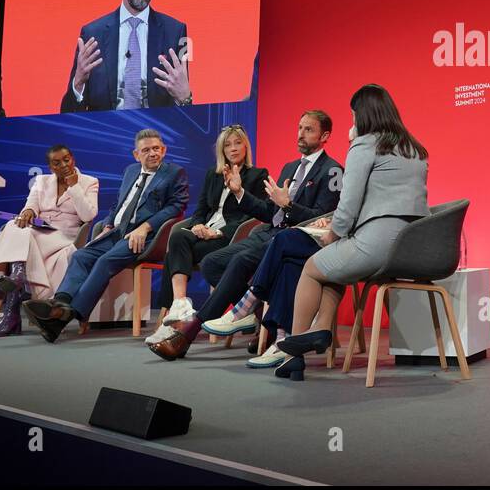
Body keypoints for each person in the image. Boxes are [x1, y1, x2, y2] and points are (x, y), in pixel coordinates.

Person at [145, 111, 343, 359]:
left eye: (309, 130)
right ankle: (258, 318)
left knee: (240, 262)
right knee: (212, 263)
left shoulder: (332, 170)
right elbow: (268, 212)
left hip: (294, 239)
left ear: (324, 136)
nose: (300, 135)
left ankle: (189, 333)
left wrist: (289, 206)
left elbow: (321, 221)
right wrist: (239, 193)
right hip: (269, 232)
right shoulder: (290, 167)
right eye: (299, 128)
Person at [273, 84, 429, 381]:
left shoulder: (365, 143)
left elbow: (349, 201)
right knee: (335, 265)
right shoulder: (415, 148)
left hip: (378, 244)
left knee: (312, 267)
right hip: (412, 249)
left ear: (363, 114)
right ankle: (320, 329)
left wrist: (334, 232)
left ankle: (292, 354)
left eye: (354, 114)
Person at [24, 128, 188, 342]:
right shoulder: (131, 170)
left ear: (164, 150)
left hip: (147, 236)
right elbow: (119, 204)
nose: (152, 153)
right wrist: (109, 225)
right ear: (136, 155)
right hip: (117, 231)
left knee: (104, 261)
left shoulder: (174, 173)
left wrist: (146, 226)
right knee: (81, 256)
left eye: (156, 148)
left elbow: (177, 206)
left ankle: (62, 317)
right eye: (146, 150)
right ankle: (60, 304)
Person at [59, 0, 192, 112]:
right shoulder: (92, 34)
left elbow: (186, 112)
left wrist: (185, 97)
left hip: (156, 135)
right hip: (107, 134)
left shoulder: (176, 32)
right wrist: (78, 84)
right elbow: (68, 115)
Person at [152, 124, 267, 328]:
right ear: (222, 151)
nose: (233, 149)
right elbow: (201, 209)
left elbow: (253, 217)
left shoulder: (258, 175)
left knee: (174, 254)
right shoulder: (212, 175)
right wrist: (197, 225)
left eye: (238, 143)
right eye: (228, 145)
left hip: (231, 238)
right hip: (205, 232)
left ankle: (173, 318)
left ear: (246, 147)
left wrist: (218, 232)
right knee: (178, 237)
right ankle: (180, 304)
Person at [0, 145, 99, 337]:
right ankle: (18, 275)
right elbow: (31, 204)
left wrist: (74, 187)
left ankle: (11, 315)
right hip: (38, 232)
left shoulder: (89, 182)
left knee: (19, 234)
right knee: (14, 225)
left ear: (73, 159)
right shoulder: (42, 181)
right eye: (57, 163)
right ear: (50, 167)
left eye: (66, 159)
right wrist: (28, 212)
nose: (64, 165)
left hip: (64, 236)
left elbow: (88, 215)